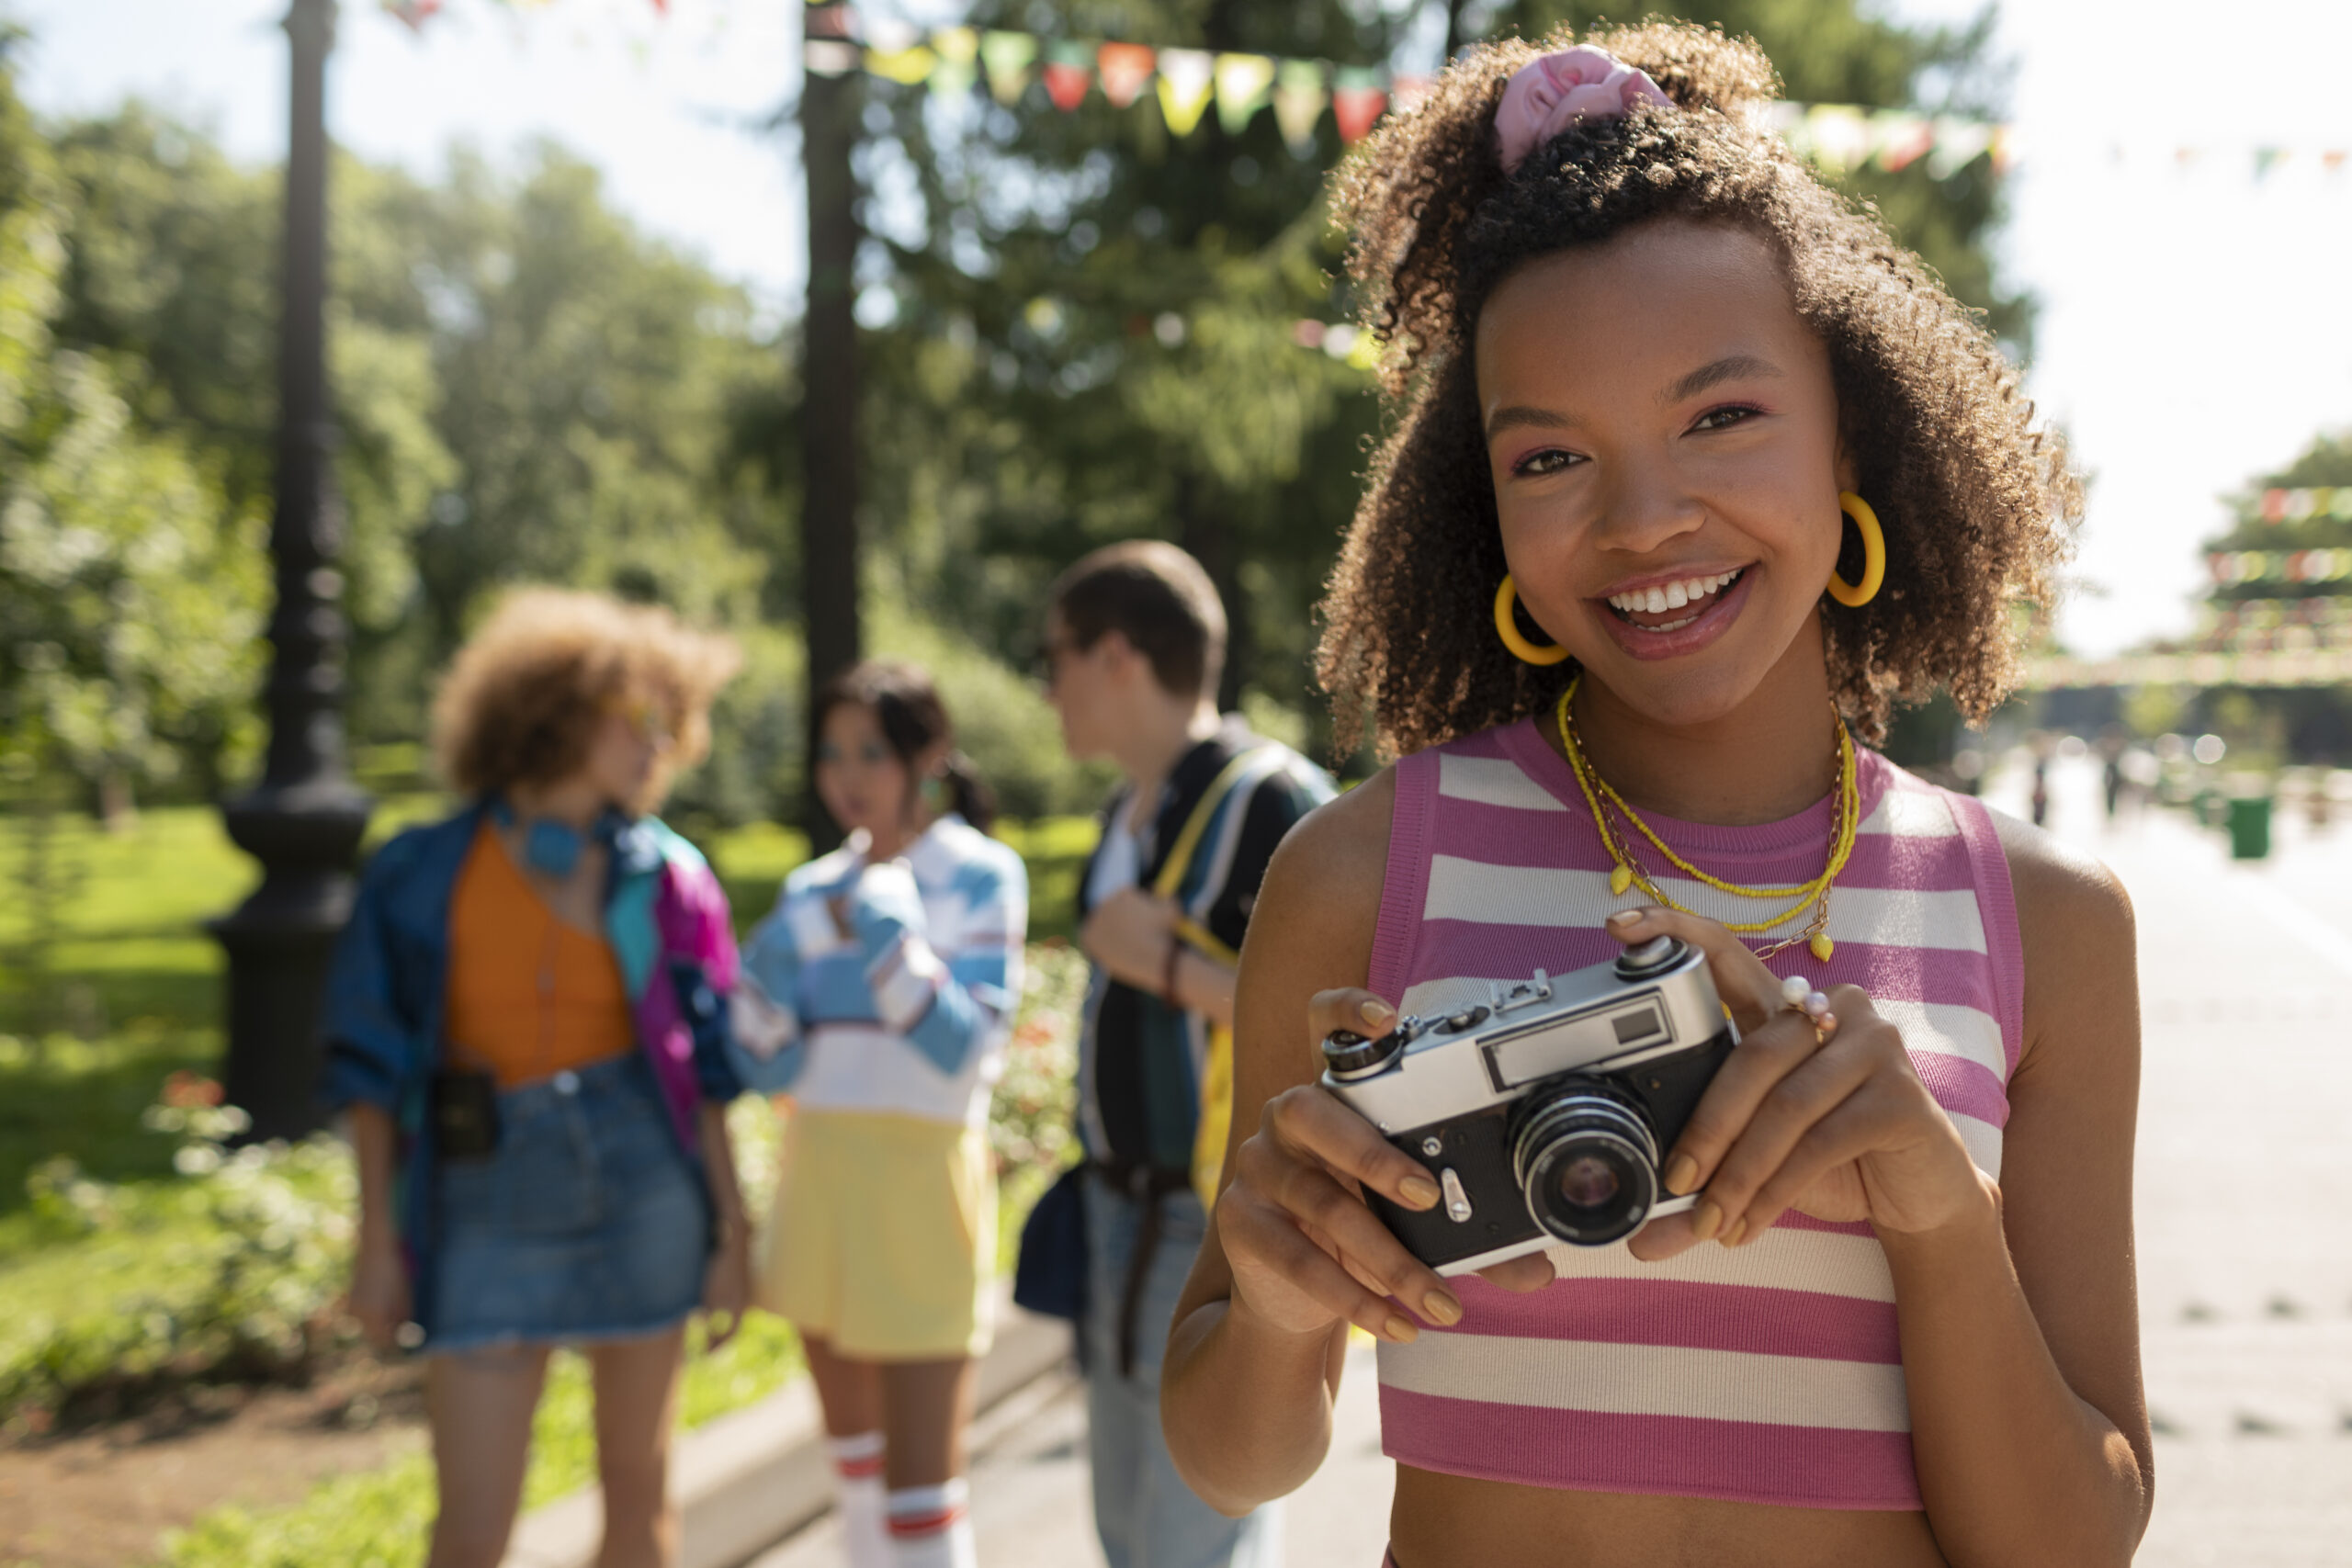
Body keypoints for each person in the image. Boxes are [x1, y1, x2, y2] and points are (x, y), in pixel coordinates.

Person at [1161, 27, 2150, 1568]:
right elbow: (1231, 1459)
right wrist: (1283, 1302)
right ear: (1482, 503)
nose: (1640, 519)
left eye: (1721, 416)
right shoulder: (1360, 873)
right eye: (1550, 456)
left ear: (1854, 429)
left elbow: (2074, 1542)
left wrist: (1939, 1212)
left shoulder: (2050, 921)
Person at [326, 587, 751, 1568]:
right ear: (556, 707)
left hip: (645, 1187)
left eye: (674, 726)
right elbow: (367, 1065)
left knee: (641, 1499)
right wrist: (377, 1241)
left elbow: (708, 1073)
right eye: (640, 717)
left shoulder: (669, 877)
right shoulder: (420, 872)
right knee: (472, 1529)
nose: (661, 746)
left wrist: (733, 1231)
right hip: (483, 1195)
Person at [1040, 540, 1335, 1568]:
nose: (1046, 690)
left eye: (1053, 659)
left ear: (1115, 655)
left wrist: (1161, 965)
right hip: (1118, 1208)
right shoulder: (1130, 807)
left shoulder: (1269, 797)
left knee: (1194, 1532)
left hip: (1209, 1214)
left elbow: (1335, 1023)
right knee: (1133, 1532)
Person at [726, 660, 1027, 1568]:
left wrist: (890, 934)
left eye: (870, 751)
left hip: (919, 1177)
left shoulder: (981, 874)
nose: (847, 775)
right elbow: (764, 1060)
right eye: (831, 753)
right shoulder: (812, 886)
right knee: (854, 1470)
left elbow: (961, 1052)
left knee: (921, 1492)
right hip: (819, 1165)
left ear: (925, 755)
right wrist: (772, 971)